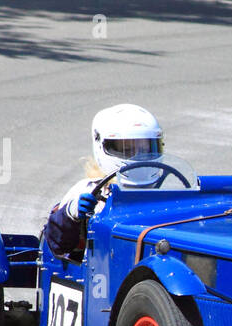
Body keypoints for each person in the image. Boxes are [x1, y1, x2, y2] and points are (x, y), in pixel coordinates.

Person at [44, 103, 165, 260]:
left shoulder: (170, 188)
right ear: (102, 145)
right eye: (127, 150)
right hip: (102, 268)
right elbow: (58, 247)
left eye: (145, 149)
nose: (137, 156)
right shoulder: (87, 189)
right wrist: (70, 214)